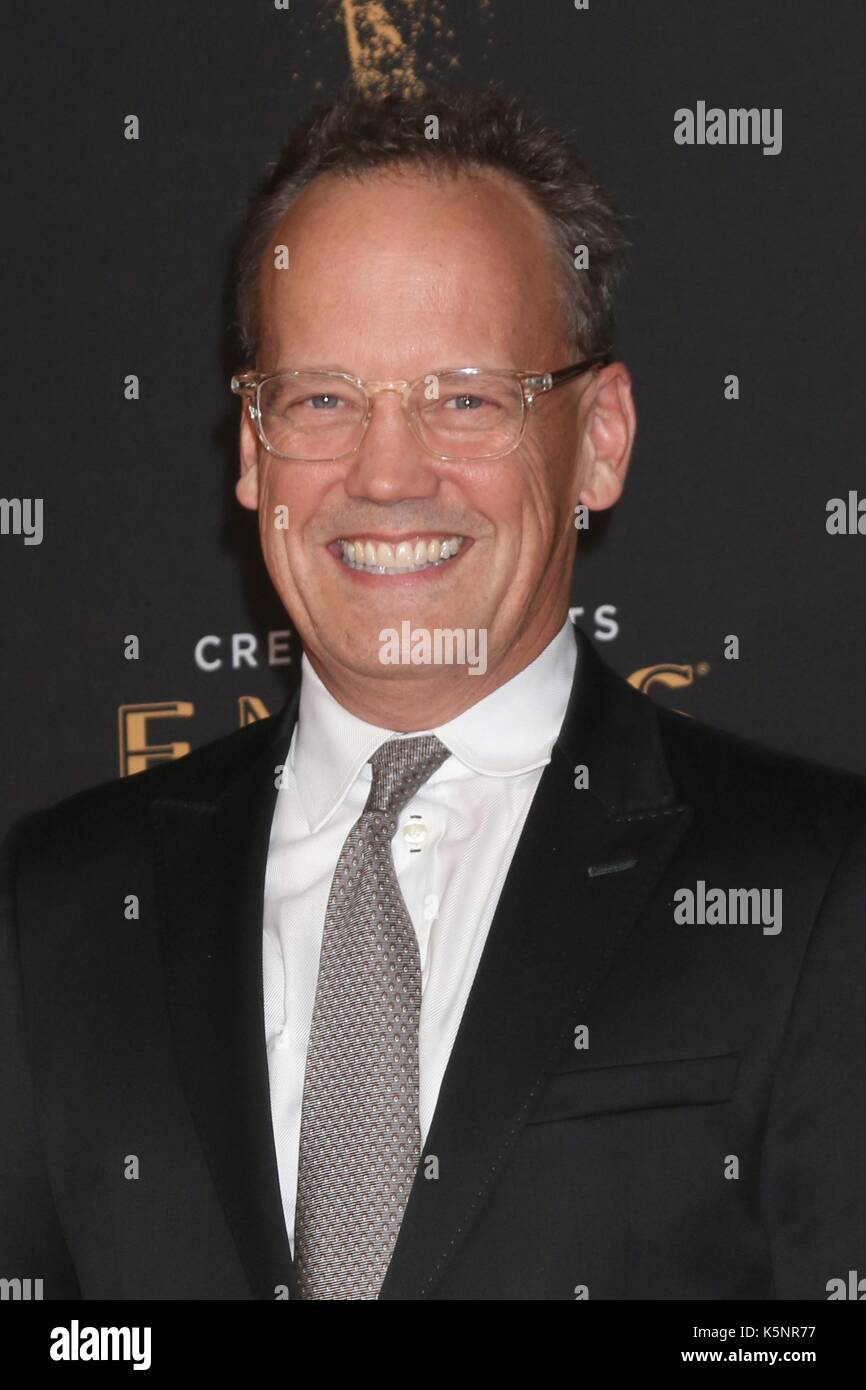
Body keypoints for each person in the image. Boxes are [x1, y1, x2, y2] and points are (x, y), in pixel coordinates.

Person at [2, 85, 865, 1302]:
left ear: (600, 436)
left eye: (465, 397)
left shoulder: (819, 894)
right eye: (321, 400)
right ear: (252, 453)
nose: (388, 472)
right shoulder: (58, 910)